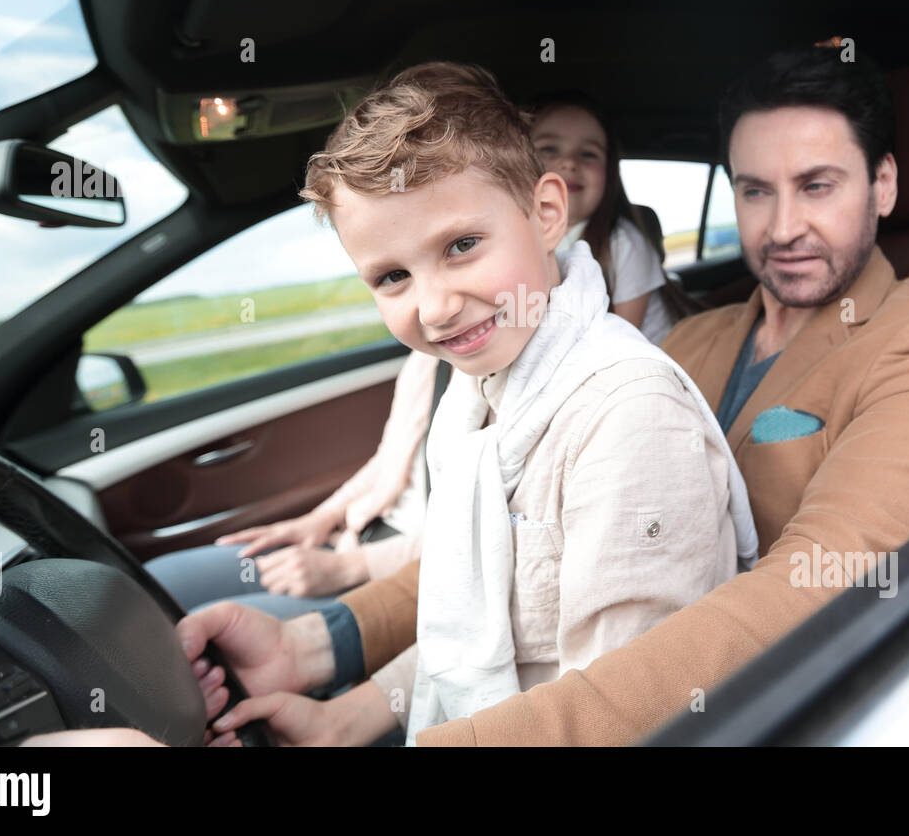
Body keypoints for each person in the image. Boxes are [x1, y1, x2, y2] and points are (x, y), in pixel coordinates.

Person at [184, 44, 909, 747]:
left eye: (818, 185)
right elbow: (514, 559)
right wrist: (326, 650)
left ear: (887, 184)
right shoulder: (692, 340)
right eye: (755, 190)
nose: (783, 224)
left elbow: (812, 595)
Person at [198, 60, 757, 745]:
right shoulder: (473, 399)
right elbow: (482, 630)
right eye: (392, 276)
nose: (434, 307)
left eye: (462, 245)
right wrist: (341, 721)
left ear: (547, 213)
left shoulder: (628, 419)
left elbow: (622, 713)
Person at [142, 350, 437, 618]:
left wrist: (352, 567)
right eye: (390, 286)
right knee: (156, 582)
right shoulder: (426, 360)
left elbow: (475, 541)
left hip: (416, 580)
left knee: (207, 631)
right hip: (356, 538)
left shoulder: (478, 383)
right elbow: (390, 458)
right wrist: (320, 518)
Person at [528, 92, 697, 344]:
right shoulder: (521, 242)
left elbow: (622, 348)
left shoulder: (624, 244)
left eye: (588, 154)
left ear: (609, 176)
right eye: (549, 149)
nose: (569, 162)